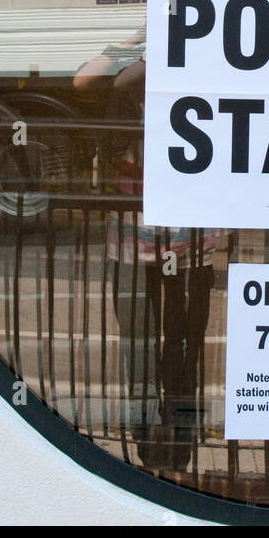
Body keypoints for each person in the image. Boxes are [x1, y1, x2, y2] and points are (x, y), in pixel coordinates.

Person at [73, 26, 214, 473]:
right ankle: (151, 454)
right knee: (139, 349)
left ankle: (176, 456)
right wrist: (139, 41)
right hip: (136, 235)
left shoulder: (209, 60)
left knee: (181, 351)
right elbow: (86, 81)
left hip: (191, 239)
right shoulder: (142, 65)